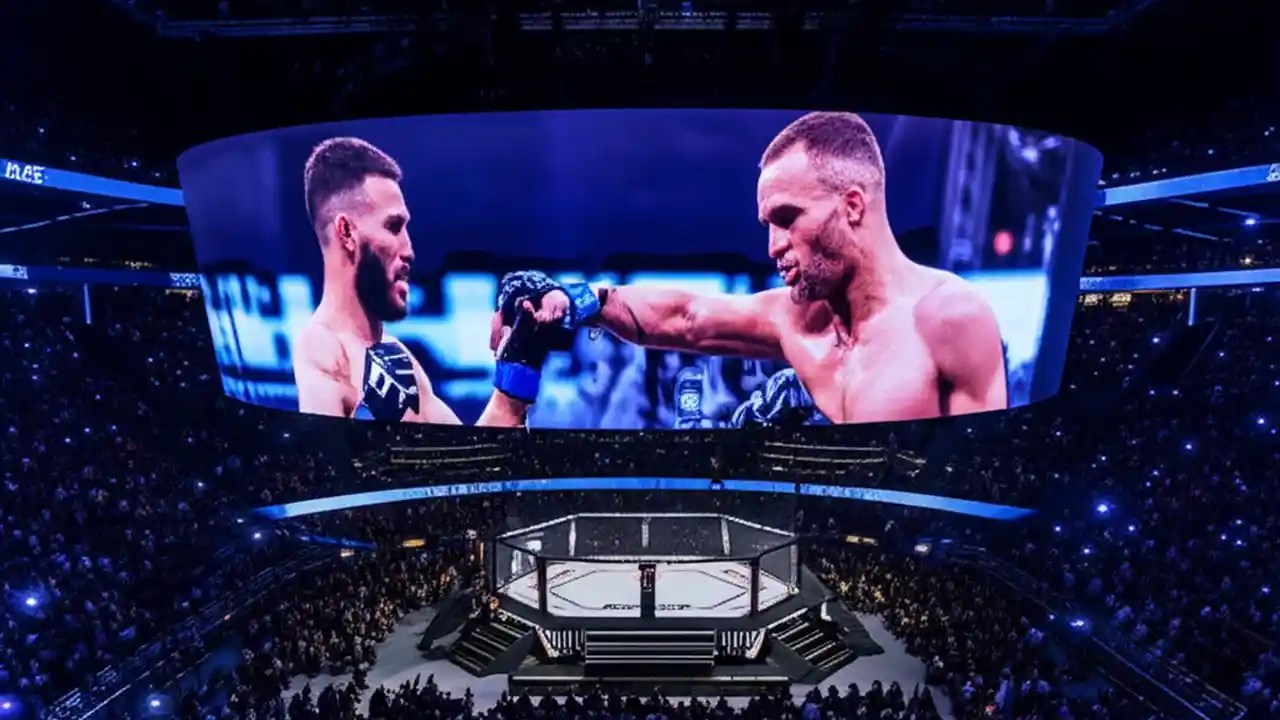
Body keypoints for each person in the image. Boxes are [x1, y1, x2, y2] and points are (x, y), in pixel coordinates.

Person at [496, 112, 1008, 425]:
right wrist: (583, 299)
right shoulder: (796, 319)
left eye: (787, 219)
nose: (773, 246)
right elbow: (686, 318)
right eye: (767, 224)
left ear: (853, 205)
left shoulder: (948, 317)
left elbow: (978, 474)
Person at [293, 137, 531, 426]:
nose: (408, 250)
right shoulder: (321, 344)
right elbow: (325, 463)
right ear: (346, 232)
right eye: (393, 227)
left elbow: (467, 455)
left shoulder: (397, 358)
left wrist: (519, 359)